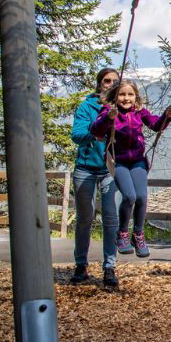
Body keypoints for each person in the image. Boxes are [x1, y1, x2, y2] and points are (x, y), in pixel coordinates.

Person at [91, 79, 171, 261]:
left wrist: (166, 117)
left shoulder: (139, 111)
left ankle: (138, 234)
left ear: (135, 96)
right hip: (118, 161)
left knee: (142, 197)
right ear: (115, 96)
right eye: (122, 94)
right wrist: (109, 118)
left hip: (137, 161)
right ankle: (122, 232)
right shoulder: (108, 111)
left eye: (130, 94)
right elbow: (96, 130)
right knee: (129, 196)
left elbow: (155, 124)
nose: (126, 98)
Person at [69, 68, 121, 287]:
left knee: (111, 218)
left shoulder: (123, 107)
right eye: (106, 81)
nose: (109, 84)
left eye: (114, 81)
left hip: (111, 168)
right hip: (86, 168)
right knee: (85, 218)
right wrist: (98, 129)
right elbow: (77, 135)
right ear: (99, 84)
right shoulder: (87, 106)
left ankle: (109, 267)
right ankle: (81, 264)